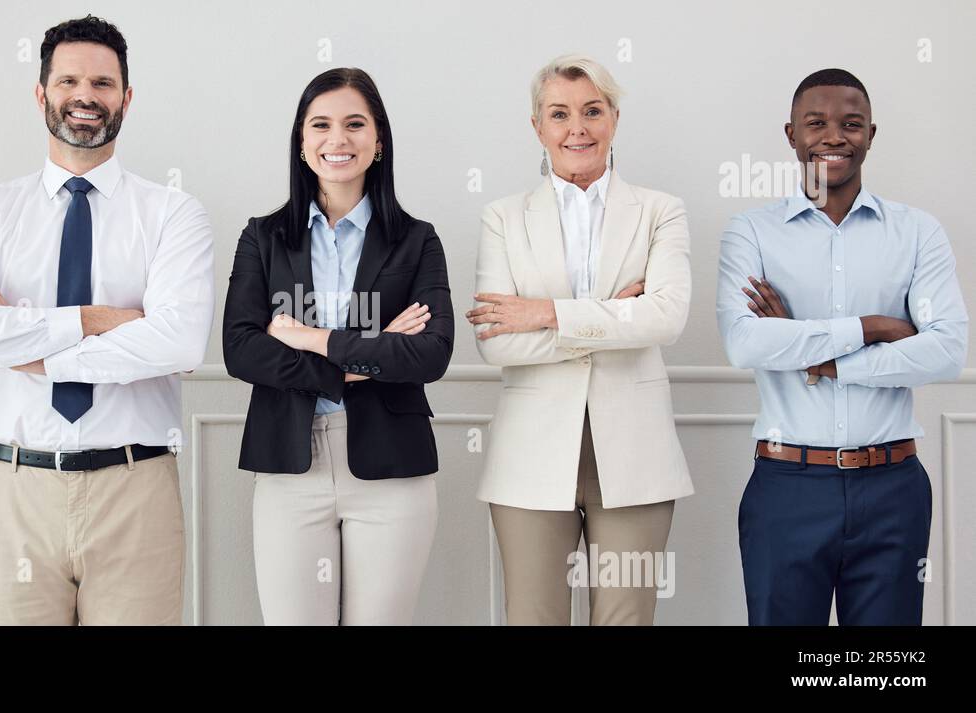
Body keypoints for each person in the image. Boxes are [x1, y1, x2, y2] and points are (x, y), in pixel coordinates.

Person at [0, 16, 213, 625]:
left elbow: (178, 340)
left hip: (136, 490)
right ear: (42, 94)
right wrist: (99, 319)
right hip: (16, 489)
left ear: (126, 99)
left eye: (104, 83)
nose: (86, 96)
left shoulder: (173, 214)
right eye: (69, 81)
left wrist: (22, 338)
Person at [717, 68, 968, 626]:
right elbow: (744, 342)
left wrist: (820, 360)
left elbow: (947, 351)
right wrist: (874, 326)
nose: (834, 136)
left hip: (893, 489)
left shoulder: (918, 232)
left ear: (871, 134)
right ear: (790, 135)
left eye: (851, 124)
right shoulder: (751, 233)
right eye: (817, 123)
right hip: (786, 489)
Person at [222, 67, 453, 625]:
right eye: (320, 125)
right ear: (302, 144)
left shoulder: (417, 240)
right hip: (288, 467)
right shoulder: (263, 236)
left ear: (379, 141)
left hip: (392, 469)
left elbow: (431, 353)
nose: (338, 139)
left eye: (355, 124)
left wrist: (311, 338)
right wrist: (356, 361)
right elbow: (241, 348)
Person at [468, 55, 693, 625]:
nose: (578, 128)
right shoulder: (502, 217)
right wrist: (617, 316)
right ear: (537, 127)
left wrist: (544, 313)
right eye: (560, 114)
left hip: (636, 454)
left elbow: (664, 319)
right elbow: (496, 341)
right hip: (530, 455)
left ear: (614, 118)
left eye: (593, 111)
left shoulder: (661, 211)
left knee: (626, 619)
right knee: (534, 619)